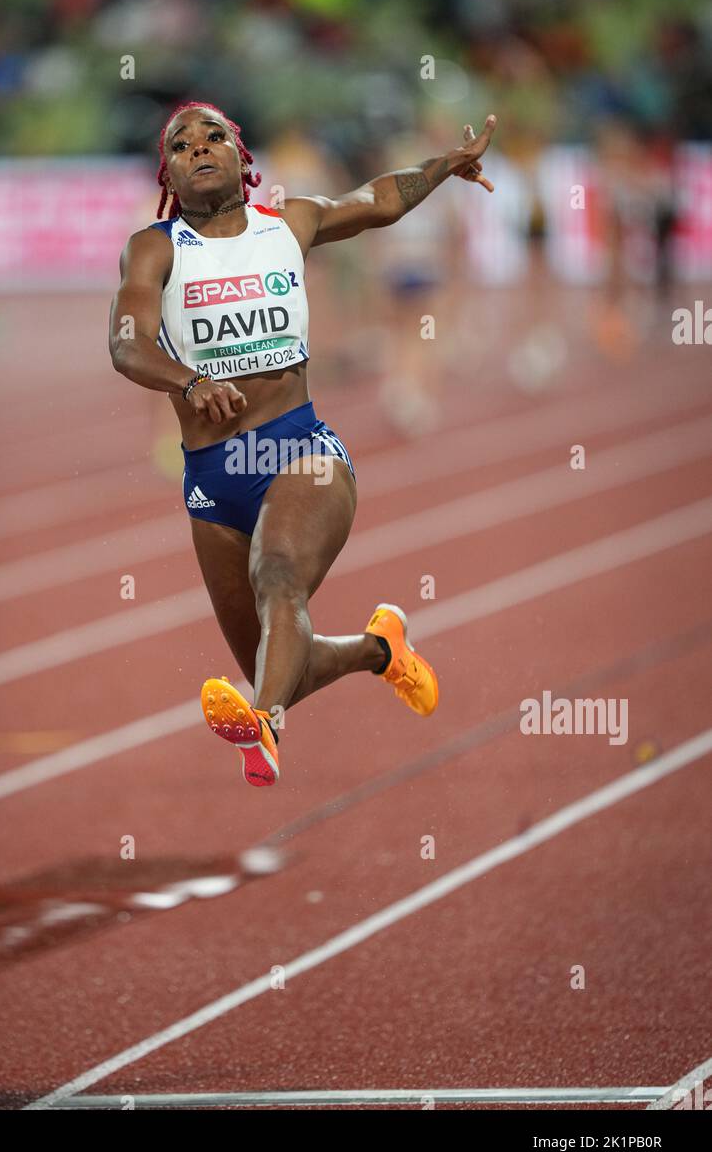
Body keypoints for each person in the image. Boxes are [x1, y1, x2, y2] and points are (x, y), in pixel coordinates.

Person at [109, 101, 497, 787]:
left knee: (279, 576)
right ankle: (382, 650)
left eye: (215, 136)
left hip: (300, 451)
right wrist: (189, 381)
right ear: (166, 169)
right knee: (274, 660)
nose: (199, 148)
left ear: (242, 157)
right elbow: (127, 342)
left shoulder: (290, 222)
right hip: (211, 477)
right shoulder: (155, 248)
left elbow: (378, 201)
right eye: (181, 144)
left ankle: (263, 728)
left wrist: (445, 166)